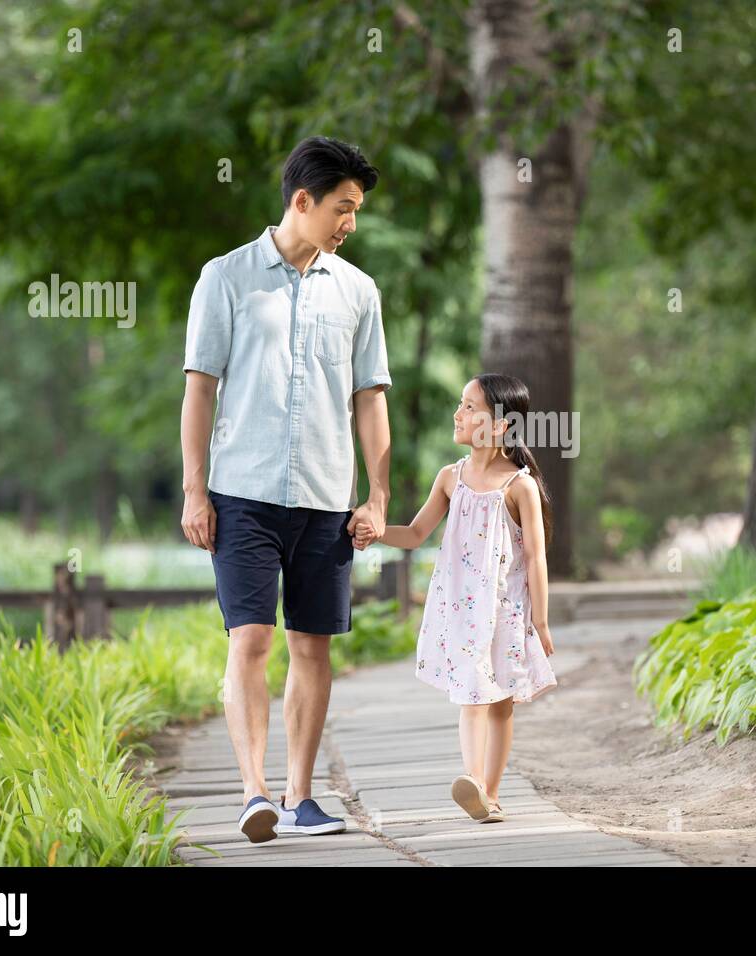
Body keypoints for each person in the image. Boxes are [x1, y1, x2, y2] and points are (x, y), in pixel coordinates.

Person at [179, 136, 392, 843]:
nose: (350, 223)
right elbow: (200, 390)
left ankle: (302, 797)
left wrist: (378, 496)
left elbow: (370, 399)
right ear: (301, 200)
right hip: (242, 492)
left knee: (314, 647)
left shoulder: (359, 292)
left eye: (355, 210)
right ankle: (253, 792)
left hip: (328, 497)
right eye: (343, 207)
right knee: (251, 638)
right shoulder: (227, 278)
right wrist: (195, 489)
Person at [355, 372, 557, 824]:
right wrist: (376, 531)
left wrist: (540, 621)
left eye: (469, 407)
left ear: (501, 425)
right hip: (463, 612)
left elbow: (537, 558)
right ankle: (473, 783)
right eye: (461, 404)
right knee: (472, 697)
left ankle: (492, 791)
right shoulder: (451, 478)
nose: (458, 414)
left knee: (501, 704)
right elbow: (416, 532)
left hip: (506, 612)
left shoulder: (519, 486)